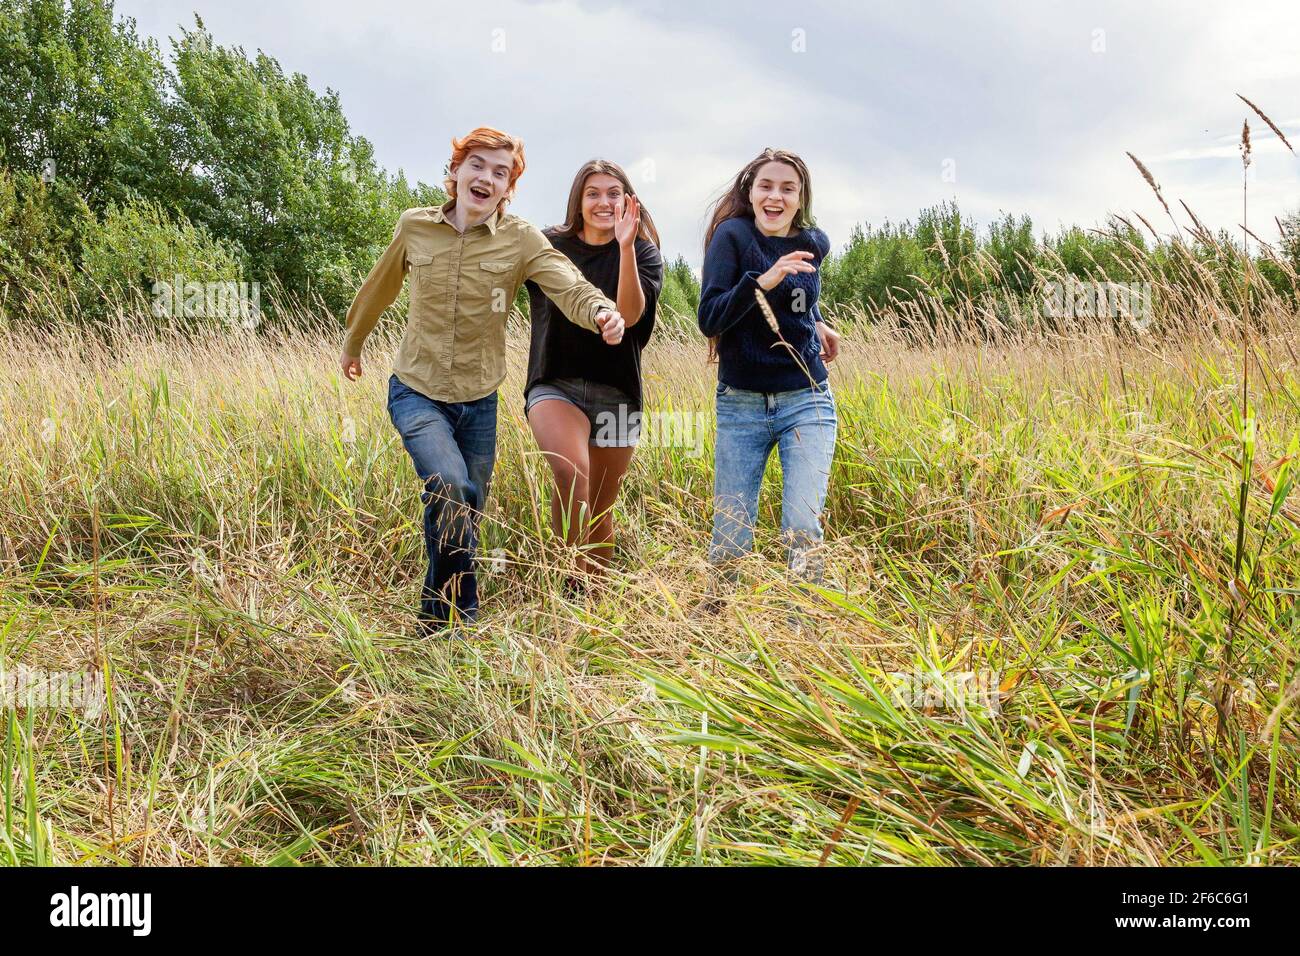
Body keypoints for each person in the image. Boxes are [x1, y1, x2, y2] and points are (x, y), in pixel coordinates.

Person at [338, 127, 625, 632]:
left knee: (466, 510)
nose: (486, 178)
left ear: (508, 187)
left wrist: (601, 311)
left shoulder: (521, 239)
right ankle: (457, 620)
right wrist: (353, 341)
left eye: (500, 172)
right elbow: (379, 287)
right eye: (477, 165)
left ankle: (439, 621)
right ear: (456, 171)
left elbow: (568, 283)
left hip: (478, 401)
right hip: (416, 390)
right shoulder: (415, 226)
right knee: (449, 486)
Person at [696, 147, 842, 604]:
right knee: (732, 534)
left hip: (807, 398)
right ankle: (720, 620)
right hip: (741, 404)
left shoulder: (815, 242)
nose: (775, 196)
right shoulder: (733, 237)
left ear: (801, 198)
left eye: (787, 189)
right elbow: (710, 317)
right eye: (766, 186)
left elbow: (799, 298)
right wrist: (762, 281)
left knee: (802, 525)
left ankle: (801, 621)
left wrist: (817, 320)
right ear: (751, 191)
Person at [523, 160, 664, 579]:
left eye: (613, 194)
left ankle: (593, 599)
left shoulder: (643, 253)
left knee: (601, 505)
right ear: (578, 202)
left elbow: (630, 315)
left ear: (628, 202)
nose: (603, 202)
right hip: (554, 383)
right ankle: (568, 585)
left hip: (617, 390)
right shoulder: (549, 245)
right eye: (593, 193)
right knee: (571, 475)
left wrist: (625, 247)